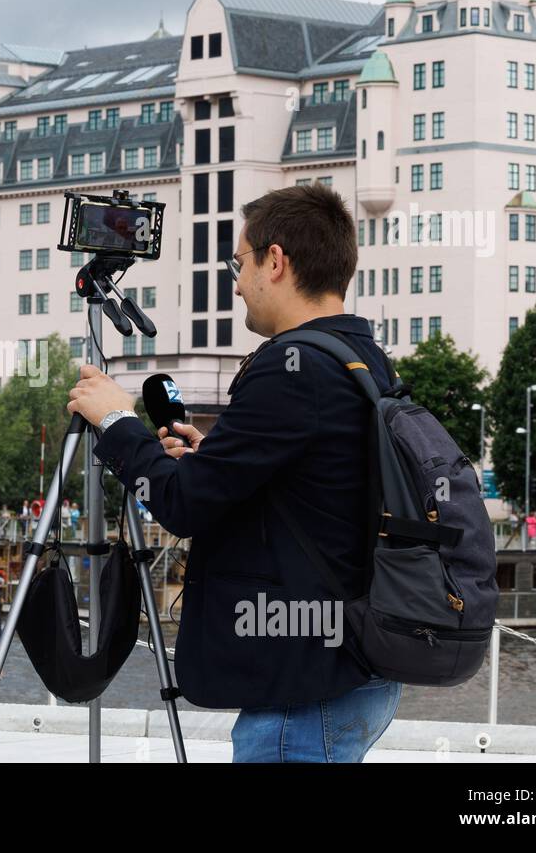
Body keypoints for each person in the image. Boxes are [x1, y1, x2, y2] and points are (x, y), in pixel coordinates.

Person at [66, 184, 402, 762]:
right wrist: (216, 460)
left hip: (302, 687)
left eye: (238, 263)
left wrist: (118, 420)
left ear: (276, 262)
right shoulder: (358, 355)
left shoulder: (291, 368)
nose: (236, 281)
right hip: (349, 660)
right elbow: (309, 491)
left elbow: (183, 505)